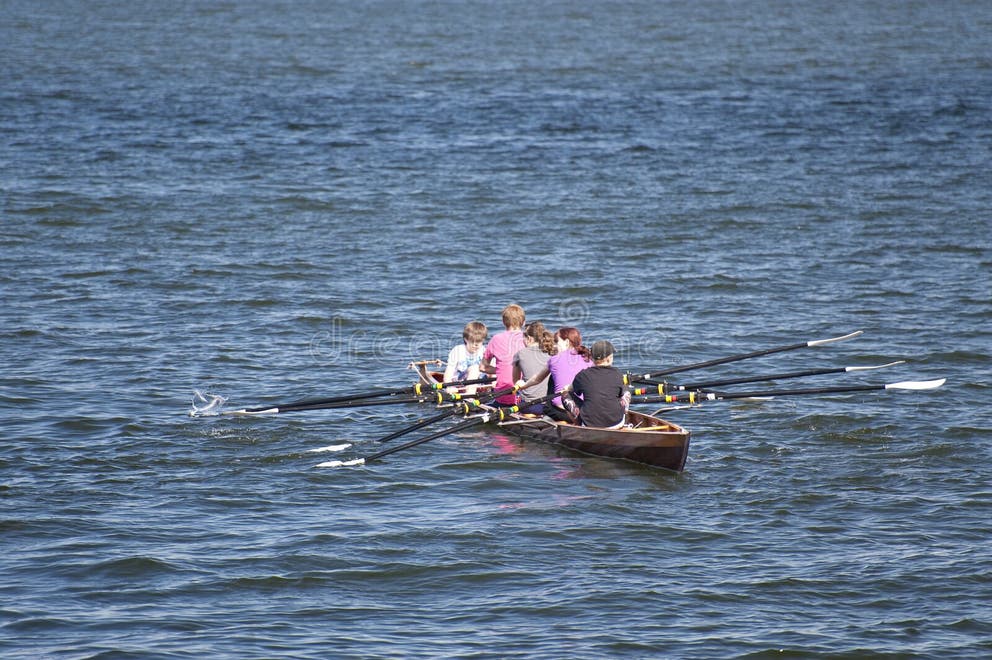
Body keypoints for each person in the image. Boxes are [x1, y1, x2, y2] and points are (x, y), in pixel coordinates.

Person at [515, 326, 592, 418]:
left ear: (567, 342)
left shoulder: (555, 359)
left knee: (552, 377)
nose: (555, 345)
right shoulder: (589, 358)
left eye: (557, 341)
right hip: (583, 410)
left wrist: (523, 386)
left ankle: (551, 418)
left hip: (561, 411)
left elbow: (537, 379)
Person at [564, 340, 630, 429]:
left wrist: (566, 389)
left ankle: (578, 425)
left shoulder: (583, 375)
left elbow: (572, 390)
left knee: (565, 394)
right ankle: (625, 413)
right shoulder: (618, 374)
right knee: (626, 388)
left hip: (590, 423)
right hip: (616, 423)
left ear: (592, 358)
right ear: (609, 358)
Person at [481, 304, 526, 406]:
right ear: (523, 322)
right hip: (526, 397)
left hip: (502, 397)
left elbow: (483, 367)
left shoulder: (496, 339)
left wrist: (501, 369)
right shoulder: (529, 339)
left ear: (503, 322)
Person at [512, 321, 557, 415]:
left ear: (529, 338)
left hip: (527, 406)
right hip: (548, 405)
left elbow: (515, 381)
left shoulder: (519, 354)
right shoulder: (552, 353)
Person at [443, 321, 488, 393]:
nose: (475, 345)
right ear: (465, 339)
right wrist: (449, 386)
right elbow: (449, 372)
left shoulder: (484, 351)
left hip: (479, 383)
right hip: (459, 383)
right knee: (475, 368)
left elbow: (491, 371)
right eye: (472, 341)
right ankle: (470, 395)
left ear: (483, 340)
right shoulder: (458, 350)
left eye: (478, 342)